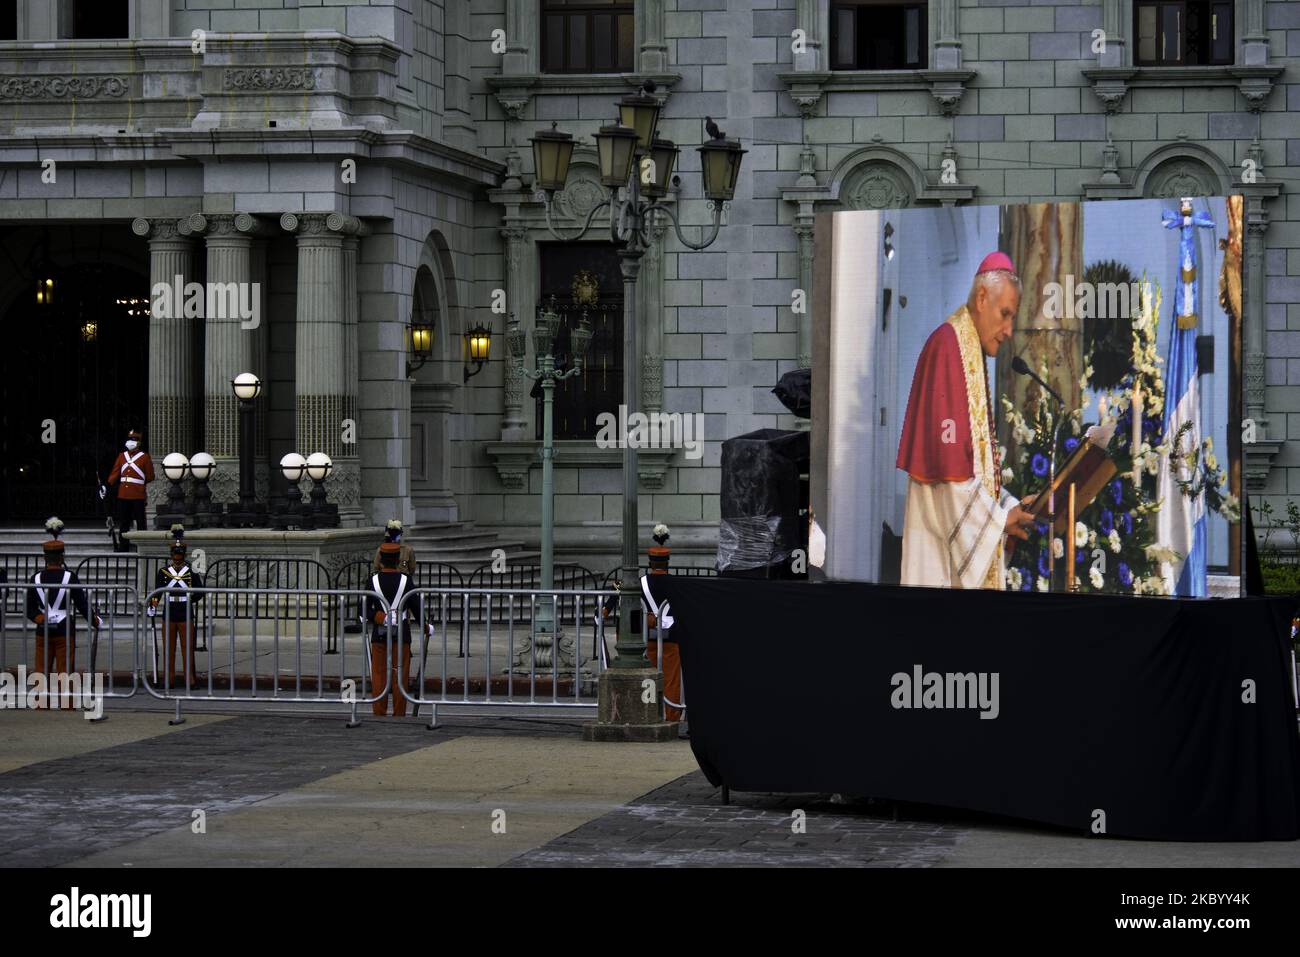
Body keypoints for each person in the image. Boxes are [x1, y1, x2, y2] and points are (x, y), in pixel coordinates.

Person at [895, 252, 1036, 589]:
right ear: (982, 297)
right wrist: (1000, 519)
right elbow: (949, 473)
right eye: (1005, 315)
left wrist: (1009, 504)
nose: (1008, 331)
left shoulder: (966, 347)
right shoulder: (948, 346)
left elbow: (973, 468)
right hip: (939, 560)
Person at [26, 527, 102, 709]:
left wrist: (40, 619)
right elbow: (82, 605)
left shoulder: (35, 578)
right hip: (65, 629)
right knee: (65, 667)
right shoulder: (70, 577)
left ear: (44, 558)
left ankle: (41, 703)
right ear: (62, 558)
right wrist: (95, 621)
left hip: (42, 629)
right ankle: (68, 703)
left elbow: (29, 608)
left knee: (42, 667)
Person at [364, 542, 433, 717]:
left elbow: (363, 610)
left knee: (378, 675)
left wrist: (381, 618)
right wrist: (426, 627)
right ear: (397, 560)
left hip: (379, 634)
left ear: (381, 560)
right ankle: (399, 713)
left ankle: (378, 712)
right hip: (402, 634)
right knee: (400, 675)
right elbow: (416, 608)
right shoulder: (406, 581)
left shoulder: (372, 581)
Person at [148, 540, 204, 688]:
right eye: (175, 554)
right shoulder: (164, 572)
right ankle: (169, 678)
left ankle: (190, 679)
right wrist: (153, 605)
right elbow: (158, 591)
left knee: (187, 648)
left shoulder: (192, 571)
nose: (177, 557)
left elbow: (200, 590)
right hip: (170, 611)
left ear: (184, 554)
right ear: (171, 555)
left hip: (185, 610)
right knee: (169, 649)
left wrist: (190, 598)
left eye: (179, 554)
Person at [103, 430, 154, 551]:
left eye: (134, 440)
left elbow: (150, 476)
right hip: (123, 495)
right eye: (130, 439)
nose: (131, 442)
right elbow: (115, 473)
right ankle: (123, 545)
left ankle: (142, 547)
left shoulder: (144, 457)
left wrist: (139, 482)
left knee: (140, 522)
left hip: (137, 494)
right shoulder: (122, 456)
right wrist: (107, 485)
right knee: (124, 522)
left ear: (139, 443)